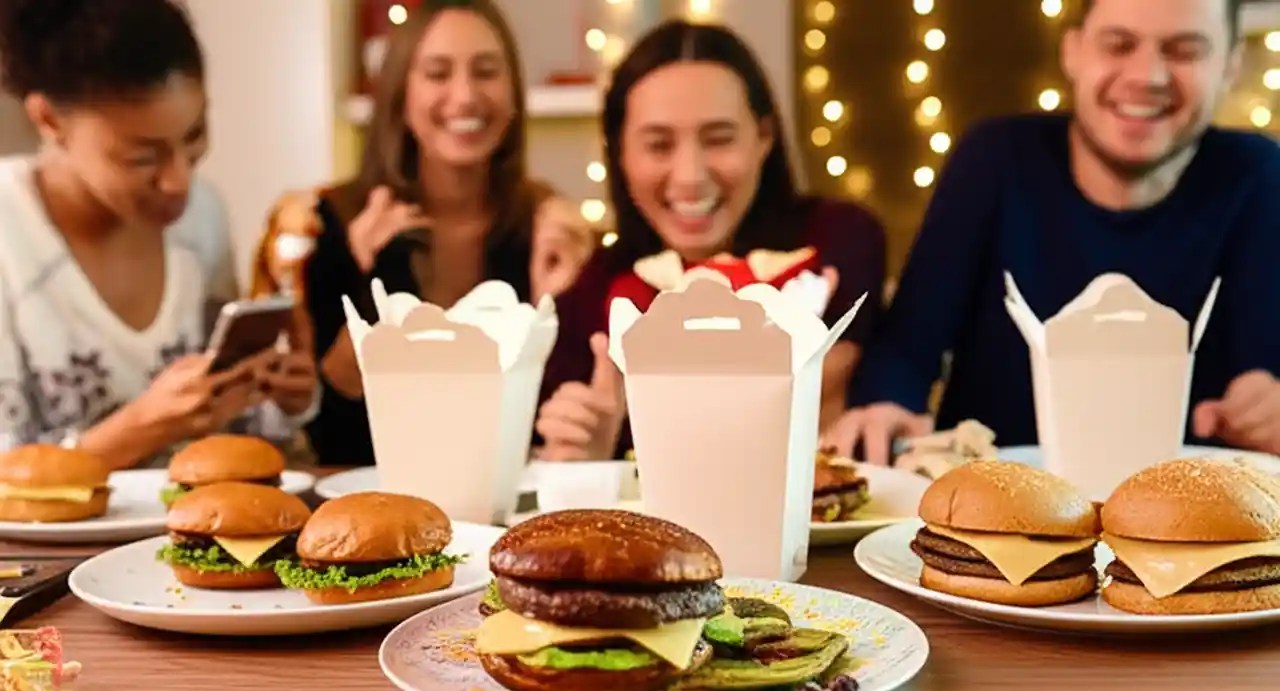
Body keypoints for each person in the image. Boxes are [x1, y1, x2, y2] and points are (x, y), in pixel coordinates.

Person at [828, 0, 1280, 464]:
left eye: (1184, 51)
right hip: (993, 511)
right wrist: (887, 406)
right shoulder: (995, 158)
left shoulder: (1258, 175)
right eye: (1119, 45)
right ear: (1073, 52)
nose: (1147, 76)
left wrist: (1266, 406)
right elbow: (907, 347)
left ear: (1230, 66)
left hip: (1192, 519)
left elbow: (1264, 364)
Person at [249, 0, 594, 466]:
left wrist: (558, 301)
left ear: (513, 92)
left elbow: (559, 419)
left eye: (487, 71)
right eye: (437, 73)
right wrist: (359, 280)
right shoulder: (330, 224)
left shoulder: (546, 225)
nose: (465, 95)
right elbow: (326, 436)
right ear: (400, 94)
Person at [533, 20, 888, 462]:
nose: (691, 177)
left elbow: (820, 403)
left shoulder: (837, 242)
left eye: (719, 139)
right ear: (620, 153)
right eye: (659, 145)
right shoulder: (593, 294)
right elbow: (559, 457)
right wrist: (590, 452)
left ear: (763, 137)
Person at [0, 0, 318, 470]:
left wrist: (282, 396)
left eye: (194, 137)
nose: (178, 182)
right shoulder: (11, 232)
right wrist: (136, 430)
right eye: (142, 158)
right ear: (49, 120)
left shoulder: (202, 216)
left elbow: (231, 428)